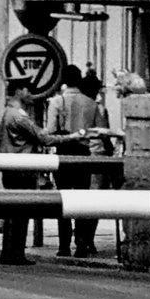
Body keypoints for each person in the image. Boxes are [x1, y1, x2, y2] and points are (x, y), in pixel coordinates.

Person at [0, 77, 82, 266]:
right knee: (21, 213)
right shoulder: (19, 116)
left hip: (8, 168)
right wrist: (72, 137)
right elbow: (43, 138)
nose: (30, 94)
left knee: (10, 213)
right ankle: (16, 253)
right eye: (27, 90)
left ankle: (8, 252)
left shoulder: (4, 113)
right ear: (19, 91)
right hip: (23, 168)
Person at [50, 67, 103, 257]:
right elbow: (100, 132)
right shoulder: (91, 103)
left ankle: (63, 244)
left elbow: (50, 130)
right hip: (83, 153)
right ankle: (81, 243)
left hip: (63, 153)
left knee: (62, 199)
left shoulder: (56, 102)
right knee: (82, 199)